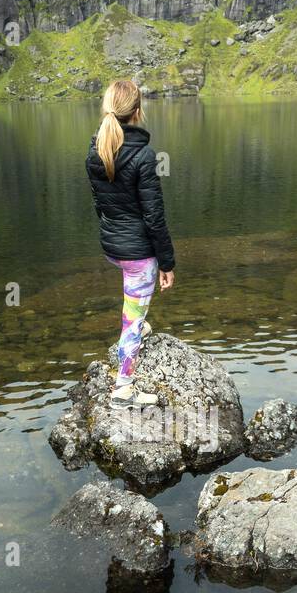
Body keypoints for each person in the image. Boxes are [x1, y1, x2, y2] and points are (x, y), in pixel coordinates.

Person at [86, 79, 176, 405]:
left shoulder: (95, 151)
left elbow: (100, 205)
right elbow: (154, 217)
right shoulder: (143, 155)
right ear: (138, 111)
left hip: (113, 247)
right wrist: (167, 263)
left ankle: (137, 318)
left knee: (134, 297)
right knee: (133, 320)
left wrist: (115, 236)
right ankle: (124, 389)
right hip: (137, 253)